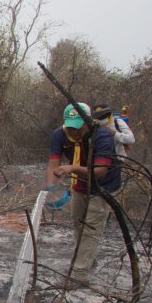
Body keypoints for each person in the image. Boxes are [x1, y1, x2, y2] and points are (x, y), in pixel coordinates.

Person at [45, 102, 122, 290]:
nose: (74, 132)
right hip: (80, 183)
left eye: (78, 127)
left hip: (104, 186)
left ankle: (78, 276)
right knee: (78, 221)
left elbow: (100, 171)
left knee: (91, 228)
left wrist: (72, 168)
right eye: (70, 127)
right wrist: (51, 189)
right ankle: (88, 258)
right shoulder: (59, 135)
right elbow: (53, 164)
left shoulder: (102, 135)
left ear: (88, 122)